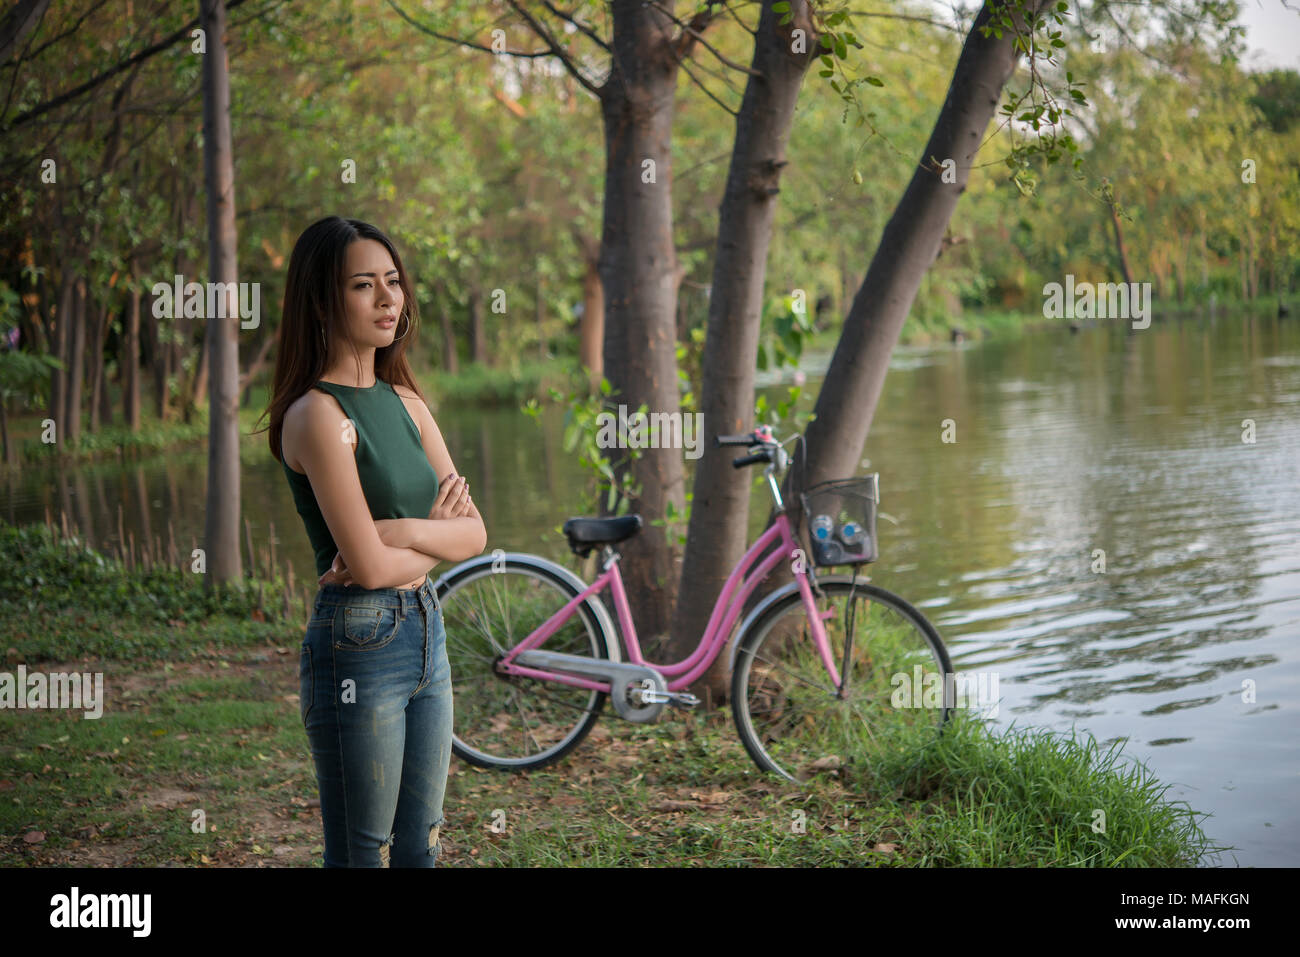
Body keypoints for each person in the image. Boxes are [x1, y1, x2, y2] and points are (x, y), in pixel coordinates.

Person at [257, 215, 486, 866]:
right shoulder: (316, 415)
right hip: (358, 645)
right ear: (323, 301)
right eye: (365, 285)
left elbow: (475, 532)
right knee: (365, 852)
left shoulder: (408, 402)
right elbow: (368, 565)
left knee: (422, 844)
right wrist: (432, 538)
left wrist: (410, 531)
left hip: (427, 631)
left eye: (393, 281)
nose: (389, 299)